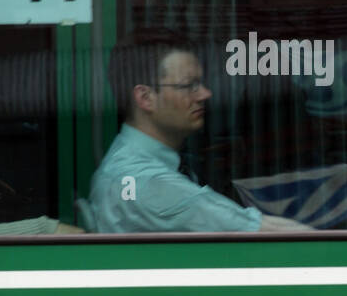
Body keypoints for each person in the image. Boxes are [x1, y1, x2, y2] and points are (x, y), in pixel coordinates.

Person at [89, 28, 309, 233]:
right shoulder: (147, 181)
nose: (205, 94)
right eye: (189, 85)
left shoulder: (129, 165)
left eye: (201, 83)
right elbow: (262, 232)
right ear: (146, 98)